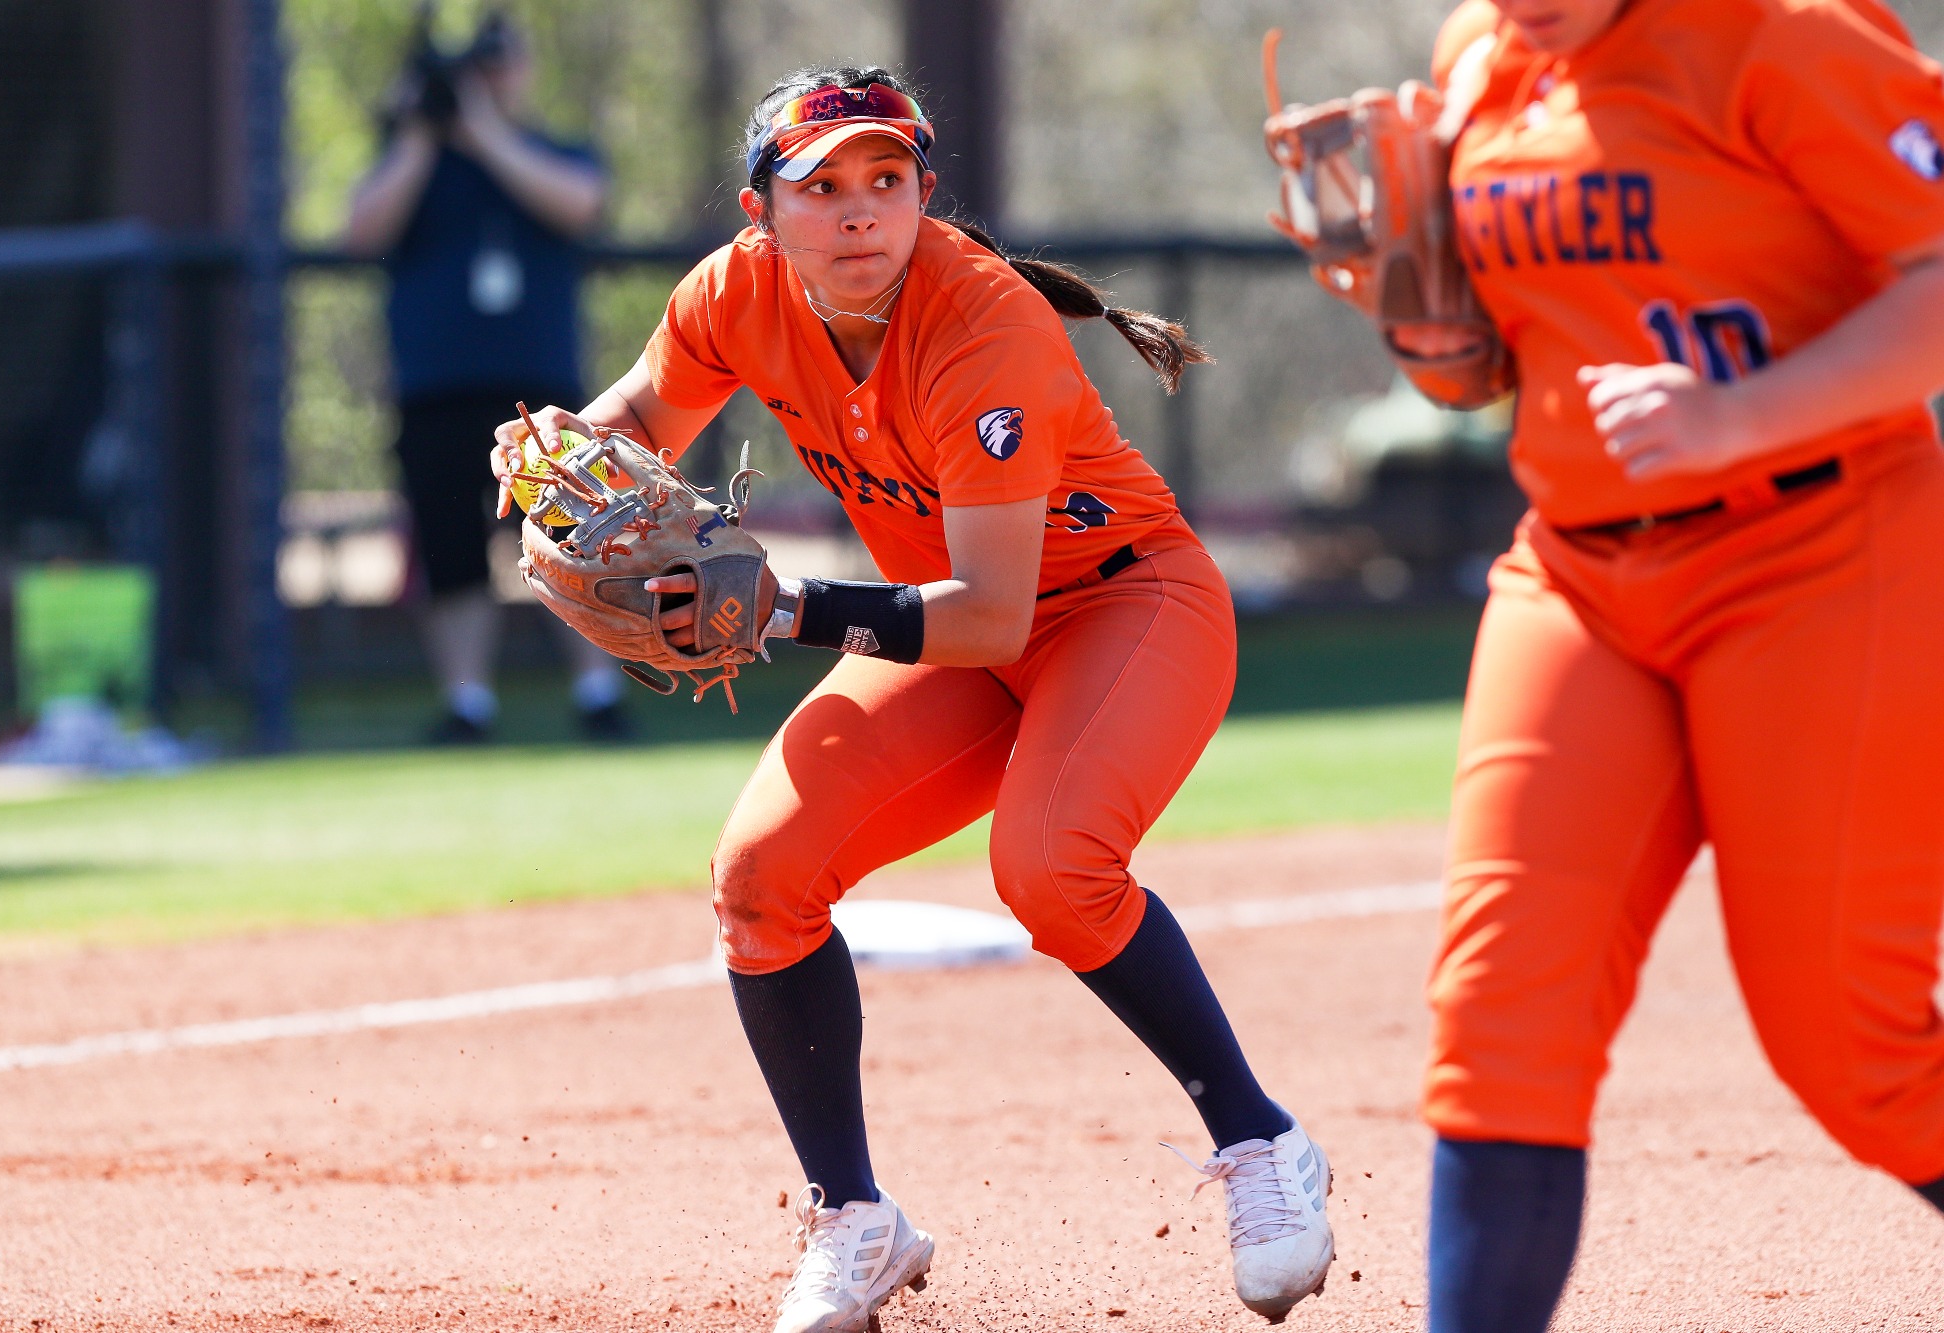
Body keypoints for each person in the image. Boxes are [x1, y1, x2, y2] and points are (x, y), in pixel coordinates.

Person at [494, 66, 1336, 1333]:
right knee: (761, 880)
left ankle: (1261, 1140)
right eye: (820, 184)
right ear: (759, 210)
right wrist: (554, 465)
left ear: (922, 192)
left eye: (885, 178)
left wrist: (779, 606)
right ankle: (854, 1218)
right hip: (948, 631)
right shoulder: (732, 292)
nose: (857, 210)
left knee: (1050, 869)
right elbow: (630, 427)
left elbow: (993, 614)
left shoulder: (982, 323)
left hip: (1120, 606)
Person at [1414, 0, 1944, 1328]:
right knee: (1500, 1017)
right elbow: (1493, 362)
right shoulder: (1482, 55)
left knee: (1852, 1051)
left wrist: (1737, 416)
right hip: (1575, 571)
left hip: (1820, 548)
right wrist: (1420, 322)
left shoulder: (1781, 37)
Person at [346, 12, 631, 744]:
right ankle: (467, 703)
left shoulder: (552, 150)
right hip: (435, 388)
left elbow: (582, 204)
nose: (488, 80)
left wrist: (485, 132)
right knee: (451, 552)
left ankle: (598, 694)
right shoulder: (413, 161)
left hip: (540, 395)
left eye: (499, 65)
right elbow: (362, 231)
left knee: (572, 539)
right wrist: (418, 134)